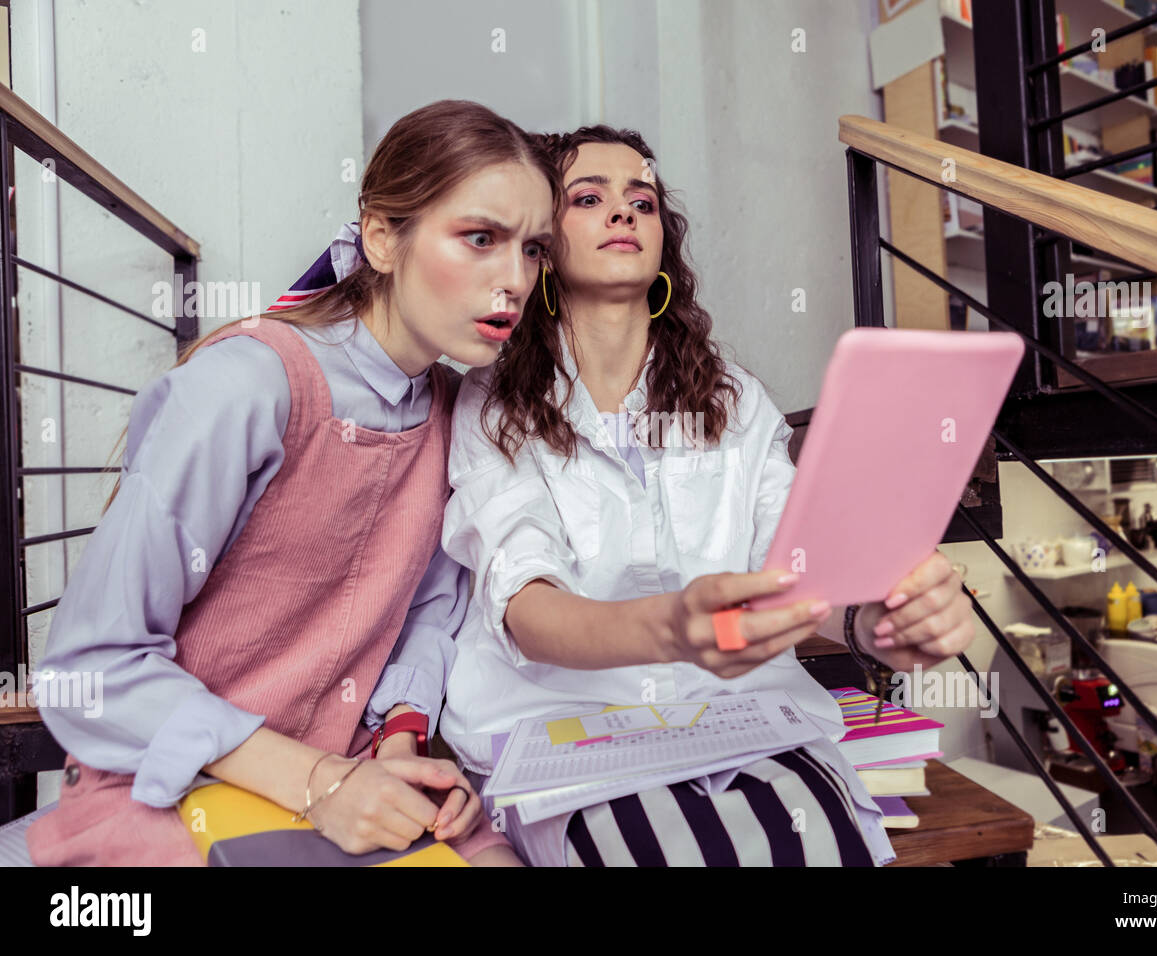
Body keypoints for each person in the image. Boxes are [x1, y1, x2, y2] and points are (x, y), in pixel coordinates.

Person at [26, 100, 559, 867]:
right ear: (381, 237)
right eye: (480, 238)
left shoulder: (455, 410)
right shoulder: (246, 386)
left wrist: (396, 746)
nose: (514, 280)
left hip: (353, 793)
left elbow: (426, 611)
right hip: (177, 793)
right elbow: (90, 665)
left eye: (533, 249)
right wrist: (316, 781)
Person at [434, 125, 976, 866]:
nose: (624, 213)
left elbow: (798, 573)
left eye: (644, 200)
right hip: (570, 735)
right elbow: (527, 609)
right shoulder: (492, 402)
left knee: (819, 840)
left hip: (742, 720)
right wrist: (672, 629)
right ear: (541, 245)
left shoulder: (734, 401)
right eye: (588, 198)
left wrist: (886, 622)